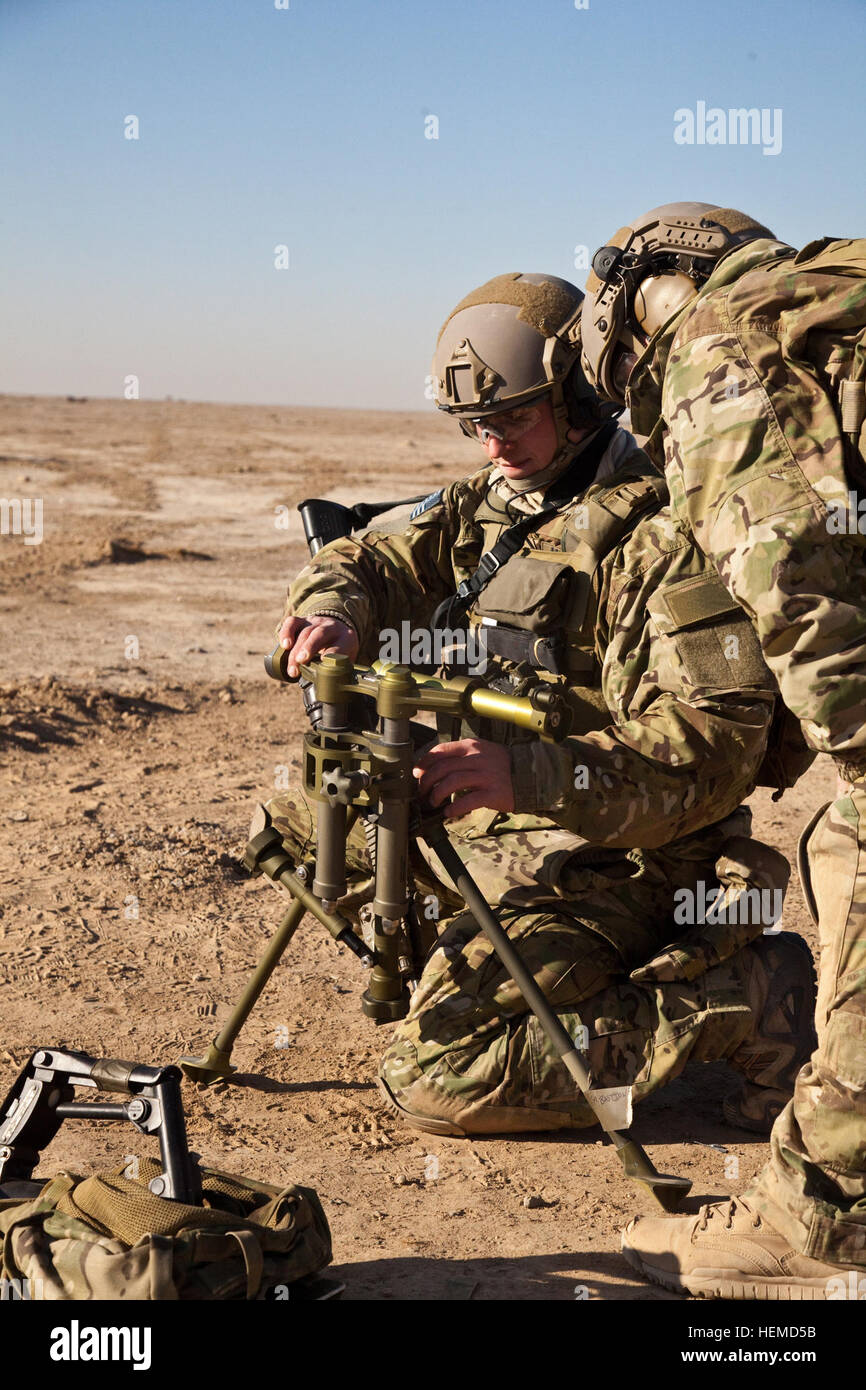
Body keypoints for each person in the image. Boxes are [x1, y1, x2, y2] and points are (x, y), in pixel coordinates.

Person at [265, 271, 815, 1139]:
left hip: (626, 852)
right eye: (475, 427)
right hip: (507, 818)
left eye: (511, 418)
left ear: (580, 395)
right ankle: (482, 970)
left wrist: (526, 773)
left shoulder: (665, 540)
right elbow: (373, 558)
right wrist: (332, 612)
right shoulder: (499, 503)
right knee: (302, 822)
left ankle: (746, 999)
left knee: (440, 1076)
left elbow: (712, 752)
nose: (491, 446)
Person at [580, 203, 866, 1297]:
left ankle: (815, 1227)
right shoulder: (825, 300)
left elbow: (794, 580)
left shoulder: (722, 345)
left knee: (850, 851)